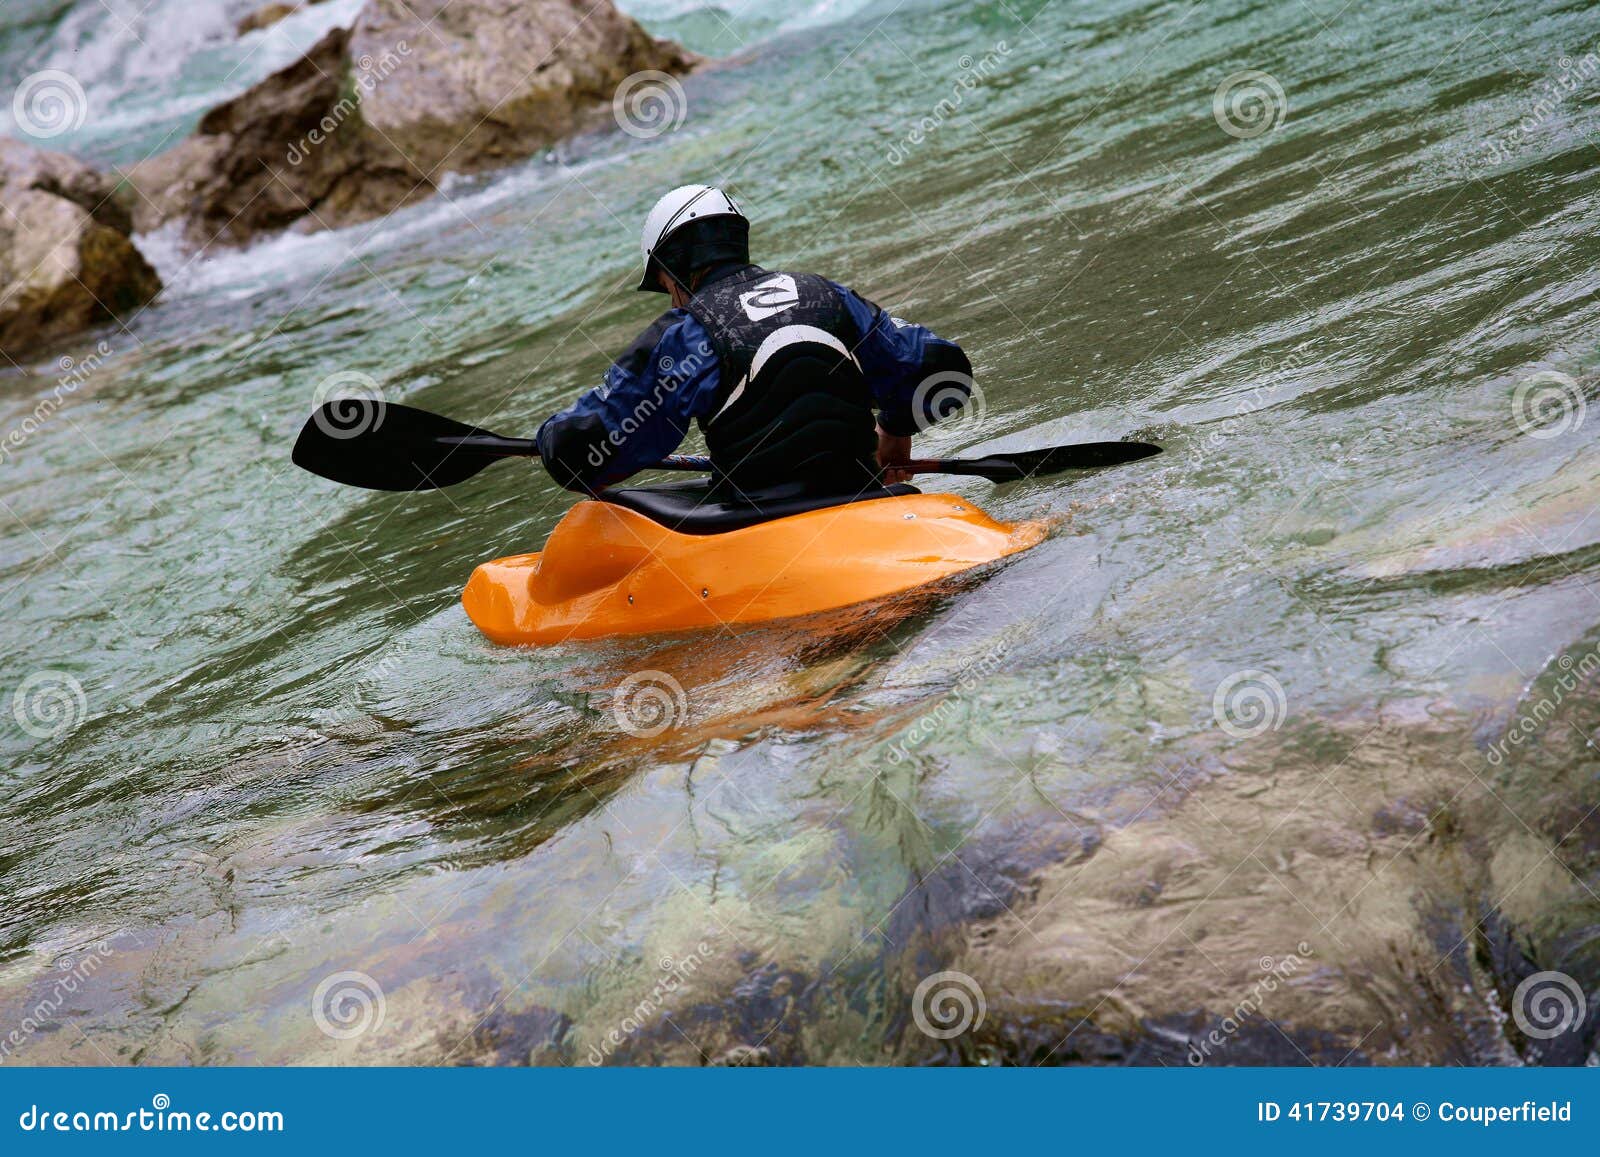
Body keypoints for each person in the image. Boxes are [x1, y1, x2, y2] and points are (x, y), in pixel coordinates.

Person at [535, 184, 974, 498]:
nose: (669, 293)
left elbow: (583, 453)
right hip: (859, 492)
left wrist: (551, 440)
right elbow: (945, 371)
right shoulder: (828, 295)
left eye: (665, 281)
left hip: (759, 517)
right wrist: (895, 427)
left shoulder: (685, 333)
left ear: (677, 267)